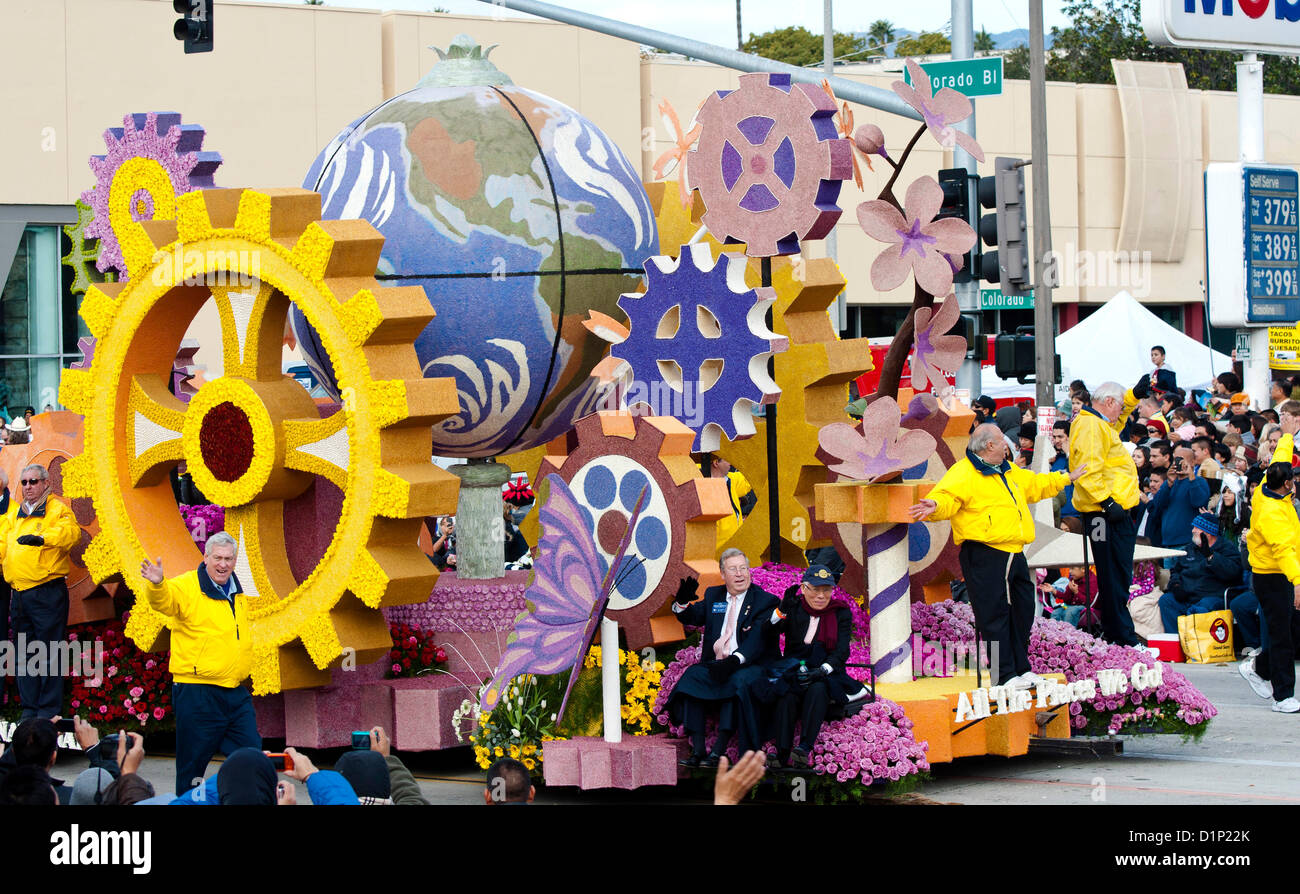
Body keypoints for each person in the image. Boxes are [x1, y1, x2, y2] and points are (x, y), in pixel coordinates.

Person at [910, 423, 1085, 687]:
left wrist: (1065, 478)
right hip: (986, 552)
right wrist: (934, 506)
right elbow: (946, 497)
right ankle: (1004, 675)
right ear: (989, 445)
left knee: (1024, 610)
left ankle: (1020, 669)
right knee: (994, 615)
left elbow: (1034, 484)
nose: (1008, 444)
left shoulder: (1008, 469)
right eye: (1003, 440)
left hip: (1014, 551)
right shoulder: (964, 472)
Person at [139, 531, 261, 795]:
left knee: (252, 756)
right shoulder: (187, 585)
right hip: (197, 692)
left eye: (229, 558)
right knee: (192, 766)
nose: (223, 564)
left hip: (234, 691)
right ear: (206, 557)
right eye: (217, 557)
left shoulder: (236, 588)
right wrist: (158, 585)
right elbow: (165, 602)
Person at [667, 548, 779, 767]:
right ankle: (698, 749)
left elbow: (758, 639)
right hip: (718, 663)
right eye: (733, 569)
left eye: (743, 568)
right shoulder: (713, 596)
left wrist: (734, 660)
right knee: (692, 676)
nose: (740, 574)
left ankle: (718, 751)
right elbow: (693, 616)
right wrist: (680, 603)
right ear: (722, 574)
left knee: (737, 681)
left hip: (751, 664)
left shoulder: (765, 601)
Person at [763, 565, 868, 769]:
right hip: (795, 670)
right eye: (816, 589)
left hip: (827, 672)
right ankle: (782, 753)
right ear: (804, 588)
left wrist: (823, 670)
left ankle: (804, 748)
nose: (821, 596)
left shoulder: (840, 612)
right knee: (787, 695)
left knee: (818, 689)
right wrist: (782, 609)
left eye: (826, 590)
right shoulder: (794, 607)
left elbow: (841, 651)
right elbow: (769, 632)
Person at [0, 463, 82, 719]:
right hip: (20, 593)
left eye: (33, 482)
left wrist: (44, 538)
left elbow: (71, 533)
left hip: (46, 592)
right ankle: (30, 709)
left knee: (49, 653)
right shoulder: (15, 513)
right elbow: (3, 542)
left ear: (46, 484)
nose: (28, 487)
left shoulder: (57, 508)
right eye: (24, 482)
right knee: (24, 655)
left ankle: (47, 710)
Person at [1068, 381, 1145, 647]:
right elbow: (1087, 468)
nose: (1122, 413)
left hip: (1110, 511)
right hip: (1104, 512)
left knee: (1118, 573)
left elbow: (1118, 418)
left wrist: (1132, 397)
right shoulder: (1091, 425)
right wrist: (1106, 501)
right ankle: (1120, 634)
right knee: (1113, 574)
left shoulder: (1098, 422)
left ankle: (1119, 632)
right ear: (1109, 402)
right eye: (1120, 405)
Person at [1239, 423, 1300, 713]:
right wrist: (1298, 582)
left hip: (1281, 574)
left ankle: (1259, 667)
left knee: (1286, 630)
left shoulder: (1268, 484)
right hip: (1273, 577)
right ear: (1288, 484)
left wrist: (1289, 434)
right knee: (1281, 634)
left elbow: (1281, 457)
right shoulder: (1273, 513)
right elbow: (1283, 552)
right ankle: (1283, 696)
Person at [1157, 512, 1243, 634]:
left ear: (1207, 532)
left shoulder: (1226, 548)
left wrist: (1211, 557)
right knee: (1166, 600)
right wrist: (1176, 586)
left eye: (1196, 528)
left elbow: (1233, 572)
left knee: (1200, 608)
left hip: (1212, 597)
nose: (1192, 531)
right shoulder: (1190, 548)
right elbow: (1176, 570)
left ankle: (1198, 647)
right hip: (1187, 596)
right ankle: (1178, 643)